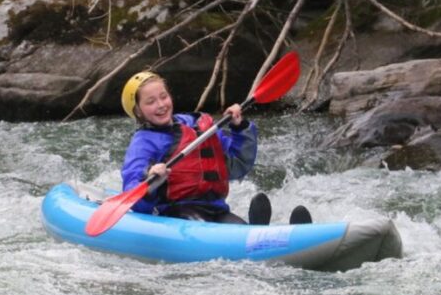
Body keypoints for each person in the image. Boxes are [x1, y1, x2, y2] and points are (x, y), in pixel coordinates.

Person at [119, 70, 312, 225]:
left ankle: (258, 232)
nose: (161, 104)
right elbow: (132, 191)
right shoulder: (143, 142)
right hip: (175, 213)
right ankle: (252, 237)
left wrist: (239, 127)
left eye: (163, 96)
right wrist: (150, 177)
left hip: (216, 209)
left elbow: (238, 165)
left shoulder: (196, 125)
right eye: (150, 102)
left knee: (238, 228)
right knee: (204, 226)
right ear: (138, 111)